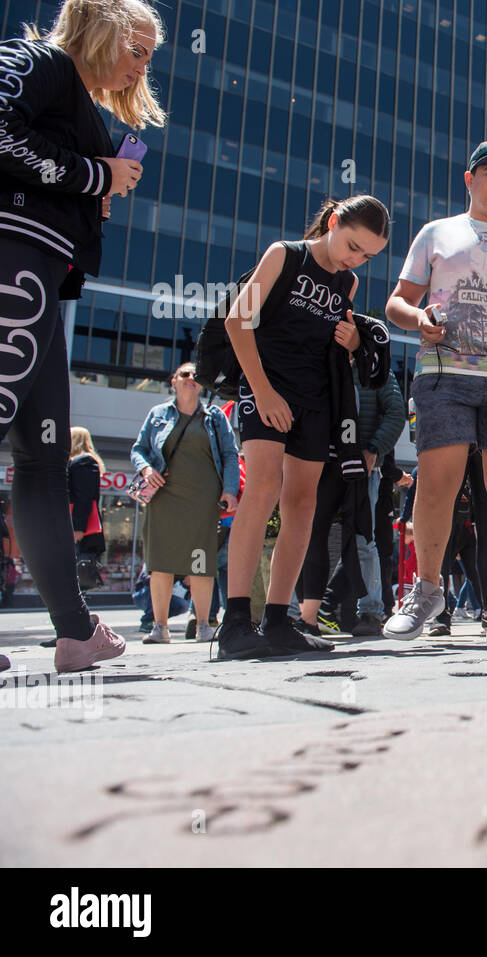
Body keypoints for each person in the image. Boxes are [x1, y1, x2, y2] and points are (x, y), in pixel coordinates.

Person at [0, 0, 166, 672]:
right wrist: (97, 174)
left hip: (37, 275)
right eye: (139, 48)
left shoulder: (72, 97)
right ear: (101, 31)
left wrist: (85, 191)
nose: (143, 66)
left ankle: (75, 630)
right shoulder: (39, 60)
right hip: (13, 261)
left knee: (42, 459)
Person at [217, 195, 391, 660]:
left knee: (303, 504)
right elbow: (238, 321)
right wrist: (264, 392)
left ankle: (278, 620)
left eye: (367, 256)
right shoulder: (285, 254)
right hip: (265, 386)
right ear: (333, 222)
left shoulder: (347, 281)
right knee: (264, 488)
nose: (356, 260)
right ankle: (234, 621)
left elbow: (334, 347)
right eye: (353, 245)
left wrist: (355, 341)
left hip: (316, 401)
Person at [384, 140, 487, 643]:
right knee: (436, 484)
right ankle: (426, 591)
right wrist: (419, 318)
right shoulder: (437, 232)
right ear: (469, 179)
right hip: (442, 373)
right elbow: (397, 303)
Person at [130, 361, 239, 643]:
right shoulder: (157, 414)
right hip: (163, 497)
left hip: (203, 500)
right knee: (161, 562)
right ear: (173, 381)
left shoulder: (215, 417)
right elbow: (139, 449)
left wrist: (229, 490)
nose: (191, 378)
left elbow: (230, 454)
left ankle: (203, 624)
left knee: (200, 563)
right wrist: (145, 469)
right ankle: (160, 627)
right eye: (184, 374)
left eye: (195, 375)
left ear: (201, 383)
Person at [298, 367, 403, 638]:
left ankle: (370, 611)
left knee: (362, 541)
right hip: (320, 461)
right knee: (306, 535)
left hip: (361, 465)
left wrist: (374, 449)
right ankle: (296, 612)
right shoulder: (319, 359)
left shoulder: (375, 369)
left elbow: (396, 412)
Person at [68, 426, 106, 588]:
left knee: (77, 571)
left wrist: (78, 527)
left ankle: (79, 610)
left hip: (80, 528)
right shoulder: (79, 461)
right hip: (76, 524)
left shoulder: (84, 461)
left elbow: (84, 497)